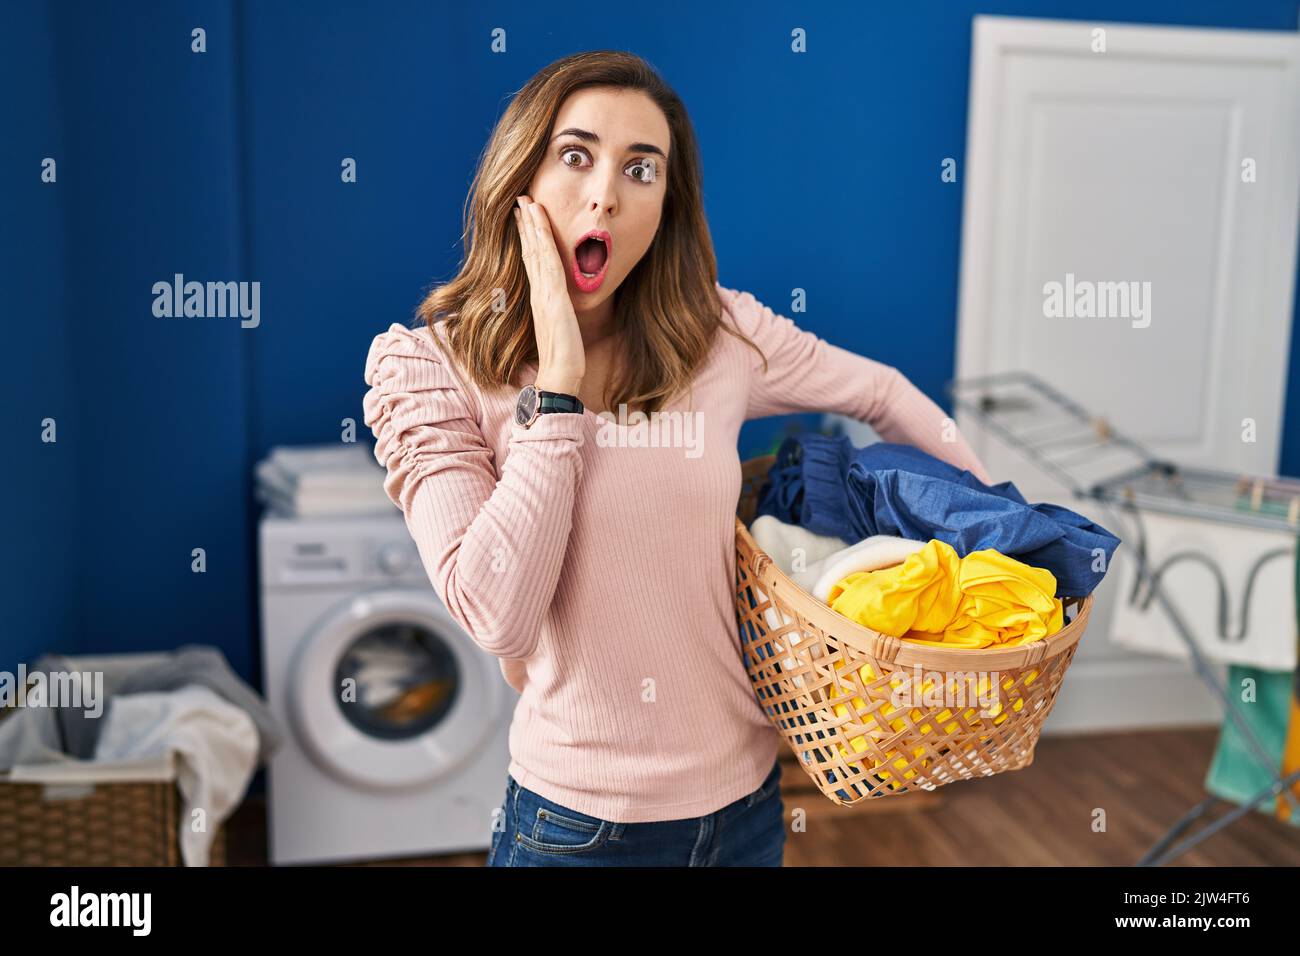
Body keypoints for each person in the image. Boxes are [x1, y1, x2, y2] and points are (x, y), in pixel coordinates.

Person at [362, 50, 992, 867]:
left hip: (747, 812)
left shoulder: (717, 335)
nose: (606, 195)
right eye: (576, 155)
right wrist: (558, 386)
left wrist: (993, 534)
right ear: (520, 179)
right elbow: (498, 616)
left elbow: (882, 391)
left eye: (642, 169)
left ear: (666, 203)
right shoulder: (429, 371)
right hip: (576, 832)